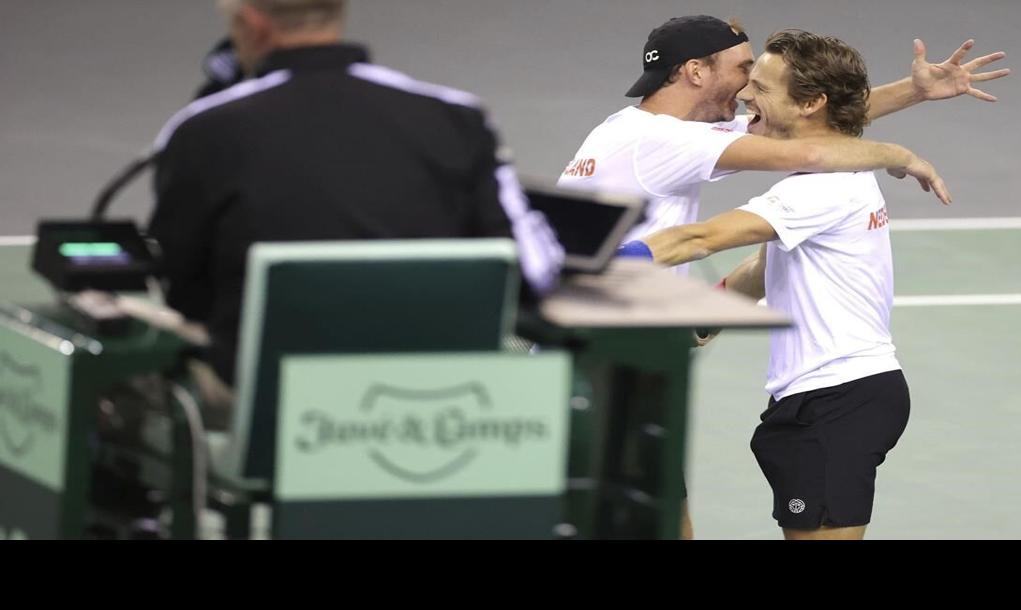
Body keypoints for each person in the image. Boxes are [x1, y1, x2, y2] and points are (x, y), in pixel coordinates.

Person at [148, 0, 561, 395]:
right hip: (440, 405)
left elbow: (182, 291)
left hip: (262, 411)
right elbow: (532, 271)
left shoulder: (199, 131)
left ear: (252, 24)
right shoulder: (459, 118)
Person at [631, 29, 927, 539]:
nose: (746, 95)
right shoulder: (830, 175)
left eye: (763, 88)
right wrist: (703, 319)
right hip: (820, 400)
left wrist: (587, 266)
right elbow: (763, 268)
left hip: (839, 401)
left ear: (812, 103)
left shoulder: (823, 189)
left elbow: (701, 237)